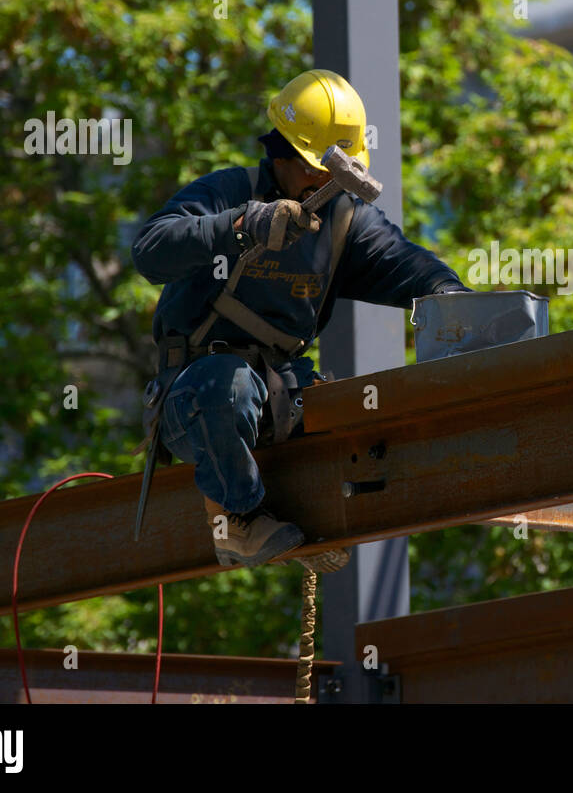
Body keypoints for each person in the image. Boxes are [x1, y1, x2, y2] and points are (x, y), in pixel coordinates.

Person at [131, 69, 468, 569]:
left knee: (361, 413)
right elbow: (150, 250)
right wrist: (243, 226)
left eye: (336, 174)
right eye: (318, 169)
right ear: (283, 152)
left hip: (279, 399)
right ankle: (237, 521)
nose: (327, 183)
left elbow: (413, 269)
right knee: (230, 386)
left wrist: (461, 303)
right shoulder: (228, 191)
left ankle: (321, 518)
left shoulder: (345, 225)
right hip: (197, 401)